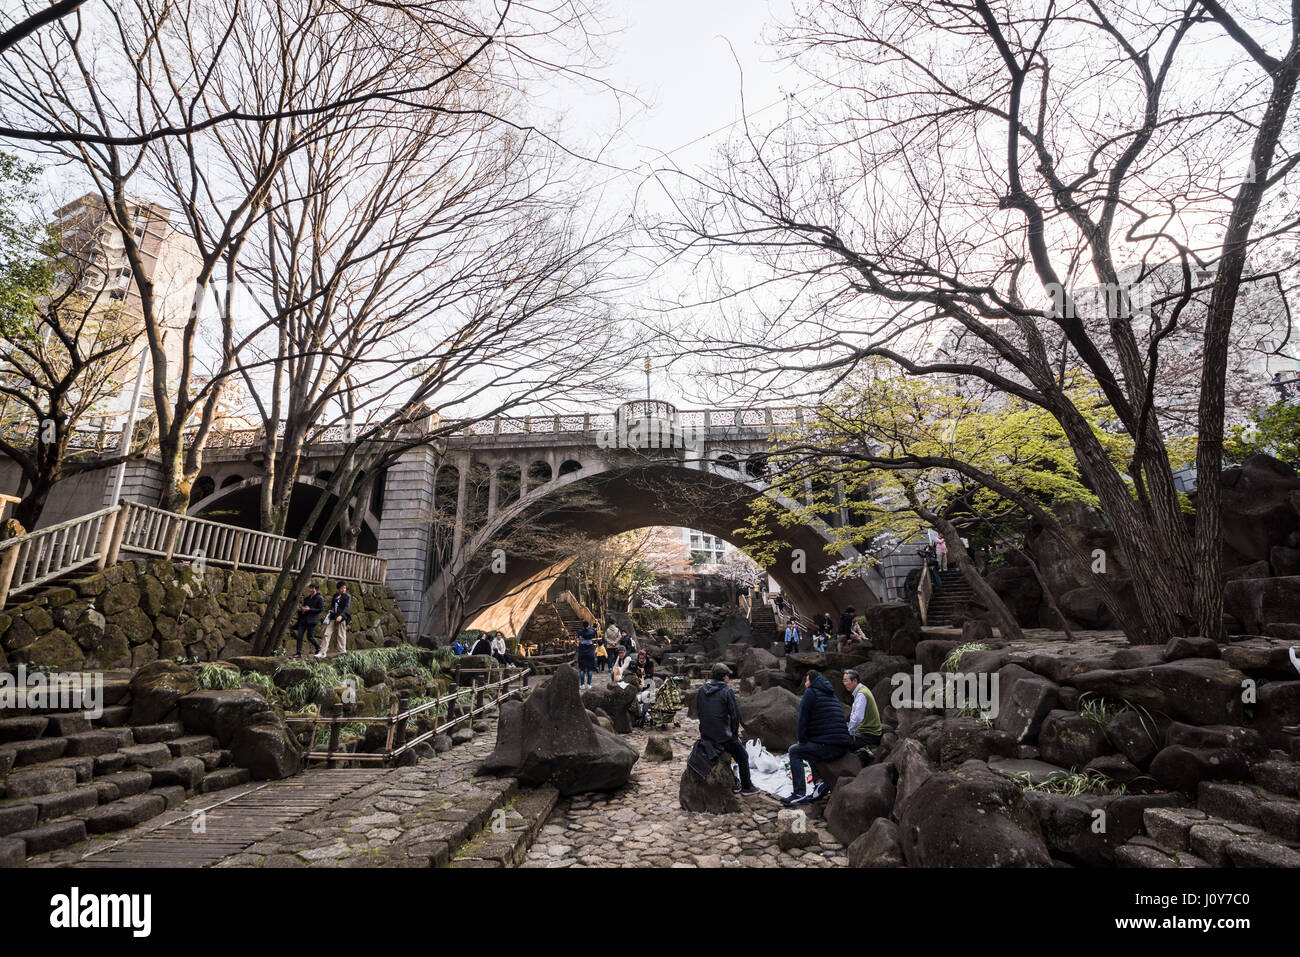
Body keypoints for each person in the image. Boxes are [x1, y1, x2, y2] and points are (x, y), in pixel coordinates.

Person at [686, 664, 759, 796]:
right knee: (743, 756)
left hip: (707, 735)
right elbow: (735, 716)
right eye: (728, 676)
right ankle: (747, 787)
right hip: (723, 736)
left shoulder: (702, 689)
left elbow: (701, 712)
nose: (729, 678)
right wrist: (734, 735)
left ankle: (734, 781)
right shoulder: (727, 691)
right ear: (723, 676)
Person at [782, 670, 853, 806]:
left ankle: (799, 794)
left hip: (829, 746)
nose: (805, 684)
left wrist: (801, 740)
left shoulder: (811, 692)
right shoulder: (831, 694)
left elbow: (803, 720)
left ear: (812, 681)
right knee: (811, 747)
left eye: (807, 681)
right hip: (842, 745)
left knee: (795, 751)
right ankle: (819, 783)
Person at [842, 669, 883, 763]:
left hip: (869, 734)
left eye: (846, 680)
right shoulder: (862, 690)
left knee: (841, 741)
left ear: (855, 681)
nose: (844, 683)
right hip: (868, 730)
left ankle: (864, 752)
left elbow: (858, 717)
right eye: (843, 680)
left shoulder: (861, 694)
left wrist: (851, 732)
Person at [315, 581, 351, 658]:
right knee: (326, 633)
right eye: (342, 588)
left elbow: (346, 608)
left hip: (342, 617)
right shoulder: (335, 596)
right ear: (338, 589)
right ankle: (322, 652)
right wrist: (331, 610)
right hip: (333, 617)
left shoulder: (347, 596)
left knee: (341, 634)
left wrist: (341, 616)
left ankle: (342, 652)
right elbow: (333, 606)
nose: (343, 590)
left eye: (344, 588)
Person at [293, 583, 324, 658]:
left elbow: (320, 609)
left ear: (315, 589)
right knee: (299, 636)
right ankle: (298, 653)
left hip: (312, 620)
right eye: (310, 588)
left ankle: (318, 648)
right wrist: (301, 609)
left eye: (312, 588)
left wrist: (309, 609)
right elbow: (304, 606)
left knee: (310, 637)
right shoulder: (307, 598)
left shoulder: (320, 598)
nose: (310, 590)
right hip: (303, 619)